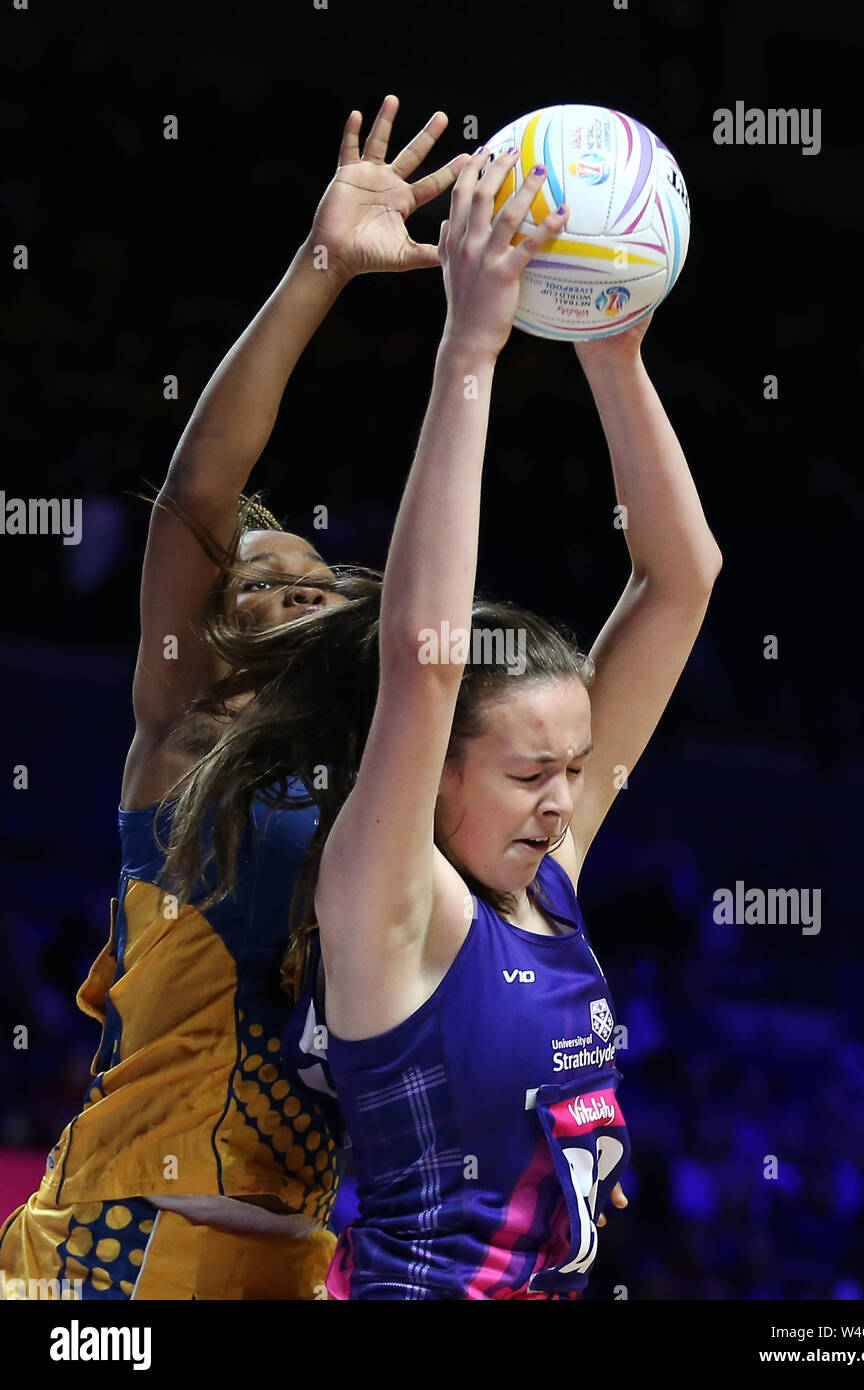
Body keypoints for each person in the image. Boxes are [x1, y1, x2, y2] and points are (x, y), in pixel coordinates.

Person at [177, 143, 721, 1297]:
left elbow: (679, 580)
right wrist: (467, 347)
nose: (567, 799)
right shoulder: (393, 902)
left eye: (576, 767)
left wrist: (609, 349)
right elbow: (423, 661)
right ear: (437, 774)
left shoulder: (548, 872)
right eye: (531, 773)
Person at [0, 94, 459, 1301]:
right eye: (264, 582)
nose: (297, 582)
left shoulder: (390, 787)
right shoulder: (188, 735)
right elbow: (200, 498)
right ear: (209, 631)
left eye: (318, 578)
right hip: (104, 1261)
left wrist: (482, 341)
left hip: (295, 1265)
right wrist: (323, 265)